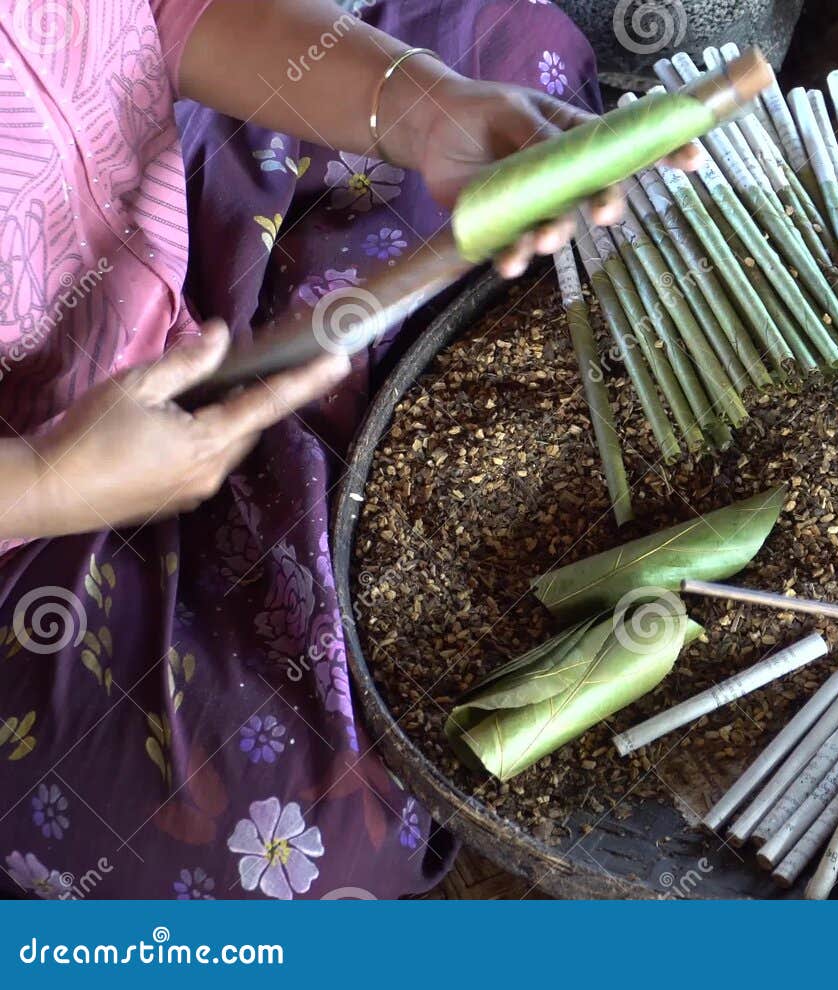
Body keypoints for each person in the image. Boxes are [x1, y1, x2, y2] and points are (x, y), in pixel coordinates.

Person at [0, 0, 692, 900]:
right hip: (39, 516)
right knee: (299, 843)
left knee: (512, 52)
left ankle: (299, 471)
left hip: (160, 202)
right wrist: (49, 485)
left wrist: (419, 106)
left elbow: (165, 15)